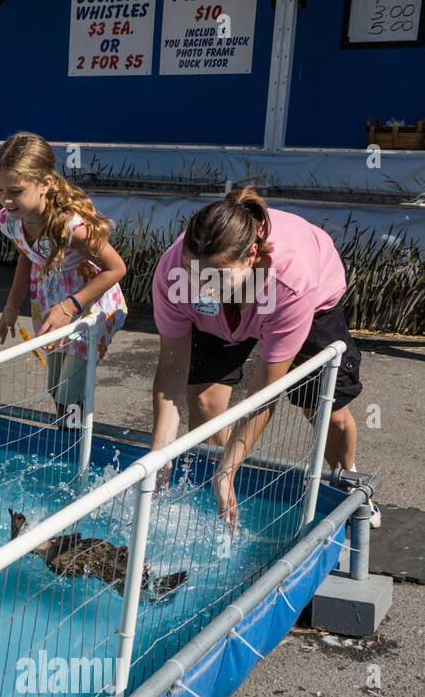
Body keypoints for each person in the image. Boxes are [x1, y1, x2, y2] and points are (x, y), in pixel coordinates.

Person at [150, 187, 366, 528]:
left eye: (216, 278)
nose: (204, 289)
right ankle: (223, 481)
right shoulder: (172, 274)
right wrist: (160, 453)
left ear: (252, 254)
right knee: (204, 401)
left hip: (307, 298)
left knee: (326, 411)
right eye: (196, 276)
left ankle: (350, 484)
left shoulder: (292, 282)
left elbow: (265, 392)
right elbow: (173, 371)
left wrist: (228, 471)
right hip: (230, 307)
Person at [0, 132, 127, 420]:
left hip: (90, 306)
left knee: (69, 393)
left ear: (45, 184)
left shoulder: (69, 226)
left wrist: (69, 307)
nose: (7, 199)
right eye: (0, 190)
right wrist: (12, 306)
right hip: (51, 304)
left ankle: (73, 451)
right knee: (55, 388)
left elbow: (117, 268)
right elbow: (27, 253)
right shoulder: (9, 220)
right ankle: (70, 438)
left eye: (15, 191)